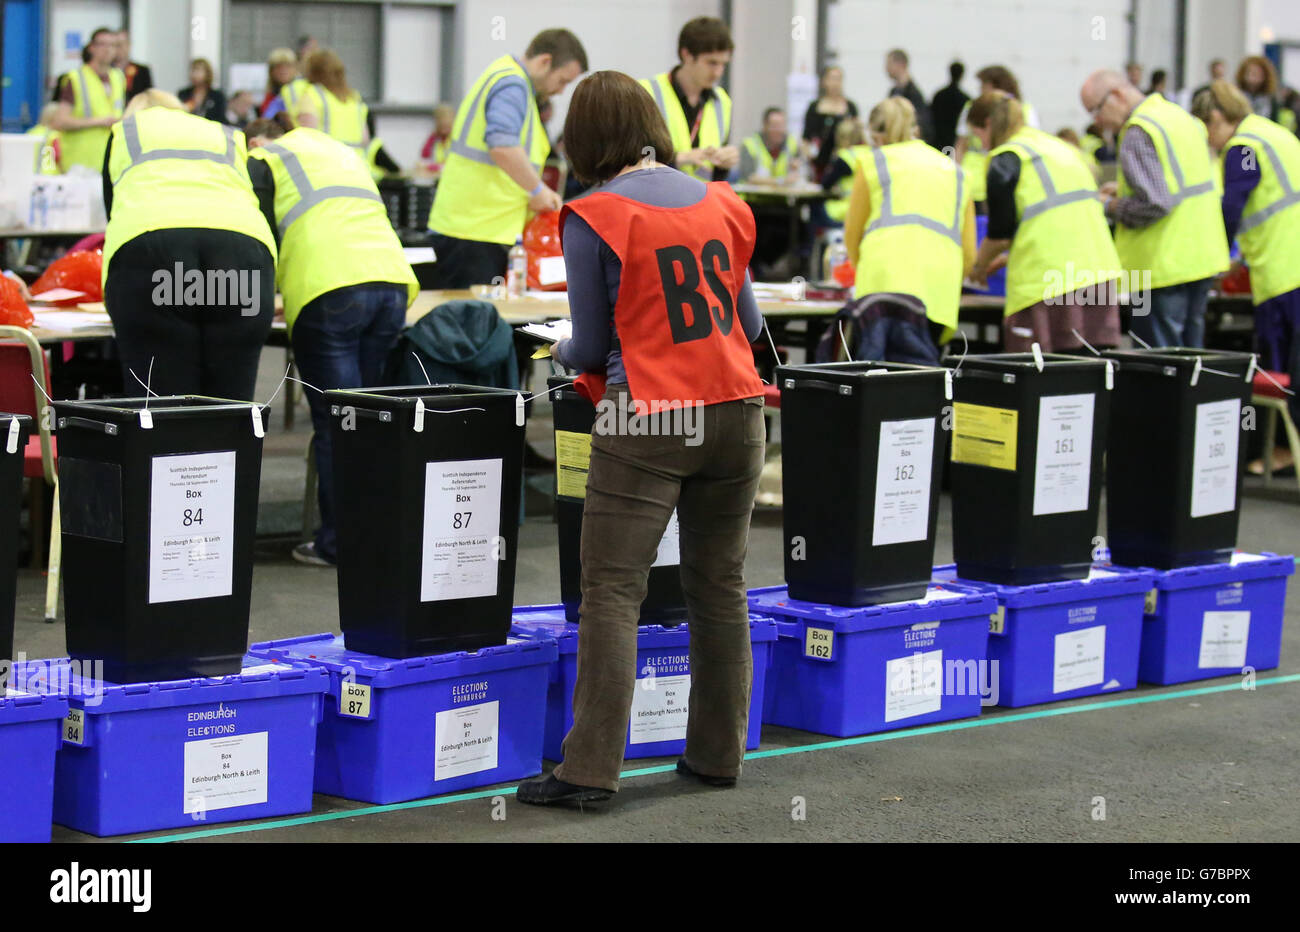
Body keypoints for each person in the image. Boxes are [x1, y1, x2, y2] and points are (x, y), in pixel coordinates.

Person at [516, 71, 765, 806]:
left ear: (586, 140)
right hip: (738, 412)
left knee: (613, 591)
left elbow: (591, 346)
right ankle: (718, 755)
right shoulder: (723, 202)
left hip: (647, 415)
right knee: (720, 587)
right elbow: (749, 329)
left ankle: (589, 771)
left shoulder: (593, 214)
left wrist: (554, 348)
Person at [245, 119, 418, 567]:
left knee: (338, 420)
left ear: (256, 141)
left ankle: (340, 544)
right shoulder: (340, 149)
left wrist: (273, 294)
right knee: (370, 417)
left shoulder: (264, 158)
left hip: (329, 288)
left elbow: (258, 235)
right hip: (390, 283)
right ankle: (378, 535)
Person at [101, 90, 276, 399]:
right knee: (231, 404)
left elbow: (111, 208)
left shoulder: (126, 133)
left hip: (154, 250)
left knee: (161, 404)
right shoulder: (226, 134)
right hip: (242, 252)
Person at [1192, 80, 1300, 467]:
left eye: (1207, 131)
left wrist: (1211, 254)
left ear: (1217, 118)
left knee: (1278, 368)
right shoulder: (1274, 133)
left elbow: (1232, 207)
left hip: (1284, 271)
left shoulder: (1244, 148)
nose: (1210, 142)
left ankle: (1282, 453)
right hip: (1285, 261)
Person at [427, 29, 586, 288]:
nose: (560, 91)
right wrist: (537, 190)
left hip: (478, 229)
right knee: (476, 324)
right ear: (545, 62)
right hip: (476, 233)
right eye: (562, 80)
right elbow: (501, 145)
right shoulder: (512, 85)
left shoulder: (507, 79)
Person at [1081, 68, 1229, 347]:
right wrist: (1125, 190)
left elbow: (1154, 204)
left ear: (1116, 95)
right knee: (1190, 365)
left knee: (1158, 368)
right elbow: (1179, 183)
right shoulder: (1179, 117)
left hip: (1161, 266)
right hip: (1201, 257)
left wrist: (1108, 204)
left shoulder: (1138, 130)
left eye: (1095, 110)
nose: (1097, 121)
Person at [967, 93, 1121, 353]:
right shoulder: (1060, 148)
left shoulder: (1007, 158)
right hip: (1098, 275)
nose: (981, 144)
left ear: (988, 125)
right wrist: (1005, 260)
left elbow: (1000, 235)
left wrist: (978, 269)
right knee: (1089, 372)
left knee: (1040, 377)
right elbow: (1058, 219)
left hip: (1049, 283)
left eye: (977, 135)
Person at [841, 97, 975, 363]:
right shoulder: (955, 171)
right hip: (937, 292)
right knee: (920, 384)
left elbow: (852, 236)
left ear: (875, 135)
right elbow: (969, 252)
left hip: (883, 288)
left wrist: (864, 272)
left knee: (876, 381)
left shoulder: (874, 163)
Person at [641, 17, 740, 181]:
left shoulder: (722, 102)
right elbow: (628, 160)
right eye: (711, 63)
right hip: (653, 200)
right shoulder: (647, 92)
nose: (718, 73)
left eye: (723, 64)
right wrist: (678, 159)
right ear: (686, 55)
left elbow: (715, 177)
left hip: (699, 202)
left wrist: (724, 164)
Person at [296, 49, 397, 177]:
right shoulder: (354, 98)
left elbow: (307, 138)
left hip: (326, 170)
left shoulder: (312, 94)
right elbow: (364, 139)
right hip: (358, 170)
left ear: (313, 72)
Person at [954, 65, 1037, 204]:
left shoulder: (1025, 109)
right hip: (974, 186)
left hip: (1010, 183)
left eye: (983, 85)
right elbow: (961, 145)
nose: (980, 90)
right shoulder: (973, 107)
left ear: (995, 85)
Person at [48, 29, 124, 173]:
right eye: (103, 44)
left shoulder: (118, 77)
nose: (108, 50)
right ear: (91, 48)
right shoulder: (76, 78)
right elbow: (60, 121)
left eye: (113, 45)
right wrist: (100, 121)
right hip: (80, 163)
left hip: (110, 159)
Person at [802, 65, 858, 178]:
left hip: (842, 161)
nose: (835, 83)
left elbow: (856, 136)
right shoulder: (814, 107)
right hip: (819, 161)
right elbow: (806, 137)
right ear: (824, 81)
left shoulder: (850, 107)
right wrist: (808, 156)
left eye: (838, 79)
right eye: (832, 78)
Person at [820, 117, 868, 224]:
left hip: (846, 210)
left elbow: (825, 184)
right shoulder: (870, 153)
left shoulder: (845, 157)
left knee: (815, 208)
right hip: (867, 210)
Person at [1236, 56, 1299, 135]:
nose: (1252, 78)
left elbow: (1275, 124)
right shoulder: (1236, 96)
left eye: (1257, 74)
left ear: (1265, 76)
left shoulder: (1271, 100)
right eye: (1250, 73)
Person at [885, 49, 933, 146]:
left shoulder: (913, 94)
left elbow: (922, 125)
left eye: (889, 64)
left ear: (900, 64)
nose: (886, 68)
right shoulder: (893, 92)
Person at [740, 107, 799, 180]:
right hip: (753, 191)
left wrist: (795, 169)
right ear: (765, 126)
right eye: (775, 126)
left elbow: (799, 171)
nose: (779, 130)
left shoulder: (791, 144)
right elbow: (749, 177)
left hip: (783, 191)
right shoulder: (749, 144)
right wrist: (780, 181)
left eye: (782, 126)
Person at [930, 61, 970, 153]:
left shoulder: (939, 95)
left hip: (938, 141)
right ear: (962, 75)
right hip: (954, 142)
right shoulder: (965, 98)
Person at [179, 58, 227, 122]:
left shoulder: (217, 96)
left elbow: (220, 118)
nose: (194, 74)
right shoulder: (184, 94)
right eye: (192, 70)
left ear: (207, 73)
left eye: (198, 70)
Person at [260, 47, 300, 120]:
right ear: (271, 71)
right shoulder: (270, 96)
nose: (283, 71)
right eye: (278, 67)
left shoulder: (301, 92)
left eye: (288, 66)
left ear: (295, 69)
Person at [417, 103, 455, 175]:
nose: (445, 129)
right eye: (442, 125)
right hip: (435, 177)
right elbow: (423, 159)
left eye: (447, 125)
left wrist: (433, 167)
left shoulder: (456, 139)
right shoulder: (433, 138)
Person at [114, 30, 152, 98]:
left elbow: (149, 95)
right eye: (116, 45)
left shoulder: (142, 70)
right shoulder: (106, 70)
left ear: (129, 45)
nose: (120, 48)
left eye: (123, 44)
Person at [26, 103, 63, 174]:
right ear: (54, 118)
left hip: (30, 174)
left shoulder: (31, 132)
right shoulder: (55, 135)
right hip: (49, 176)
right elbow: (58, 158)